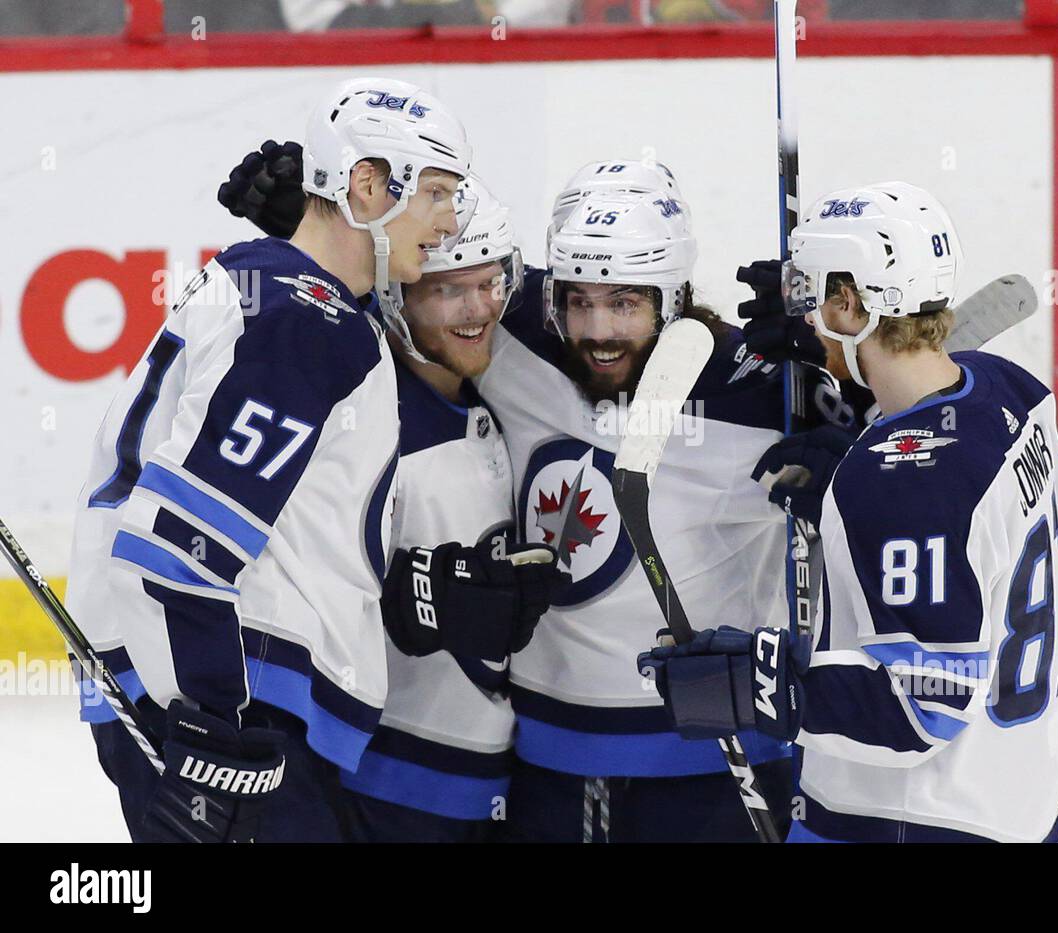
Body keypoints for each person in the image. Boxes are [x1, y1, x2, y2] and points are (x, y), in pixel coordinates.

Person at [218, 151, 802, 842]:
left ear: (672, 295)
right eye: (578, 299)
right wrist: (324, 226)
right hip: (540, 773)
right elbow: (420, 285)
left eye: (626, 303)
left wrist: (835, 360)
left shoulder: (764, 390)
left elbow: (900, 443)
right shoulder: (510, 328)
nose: (598, 331)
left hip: (717, 769)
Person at [66, 76, 490, 843]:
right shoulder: (307, 319)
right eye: (436, 192)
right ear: (368, 185)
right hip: (230, 709)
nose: (450, 219)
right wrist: (213, 728)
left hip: (206, 692)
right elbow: (181, 545)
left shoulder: (279, 286)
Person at [640, 182, 1058, 843]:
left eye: (809, 293)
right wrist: (860, 470)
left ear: (848, 303)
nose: (801, 313)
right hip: (1026, 804)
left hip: (911, 821)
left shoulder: (898, 480)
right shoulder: (1014, 389)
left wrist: (758, 682)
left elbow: (922, 708)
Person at [342, 178, 568, 842]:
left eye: (491, 283)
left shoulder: (493, 398)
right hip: (385, 787)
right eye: (446, 290)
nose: (479, 310)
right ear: (394, 296)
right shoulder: (365, 425)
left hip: (491, 781)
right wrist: (412, 598)